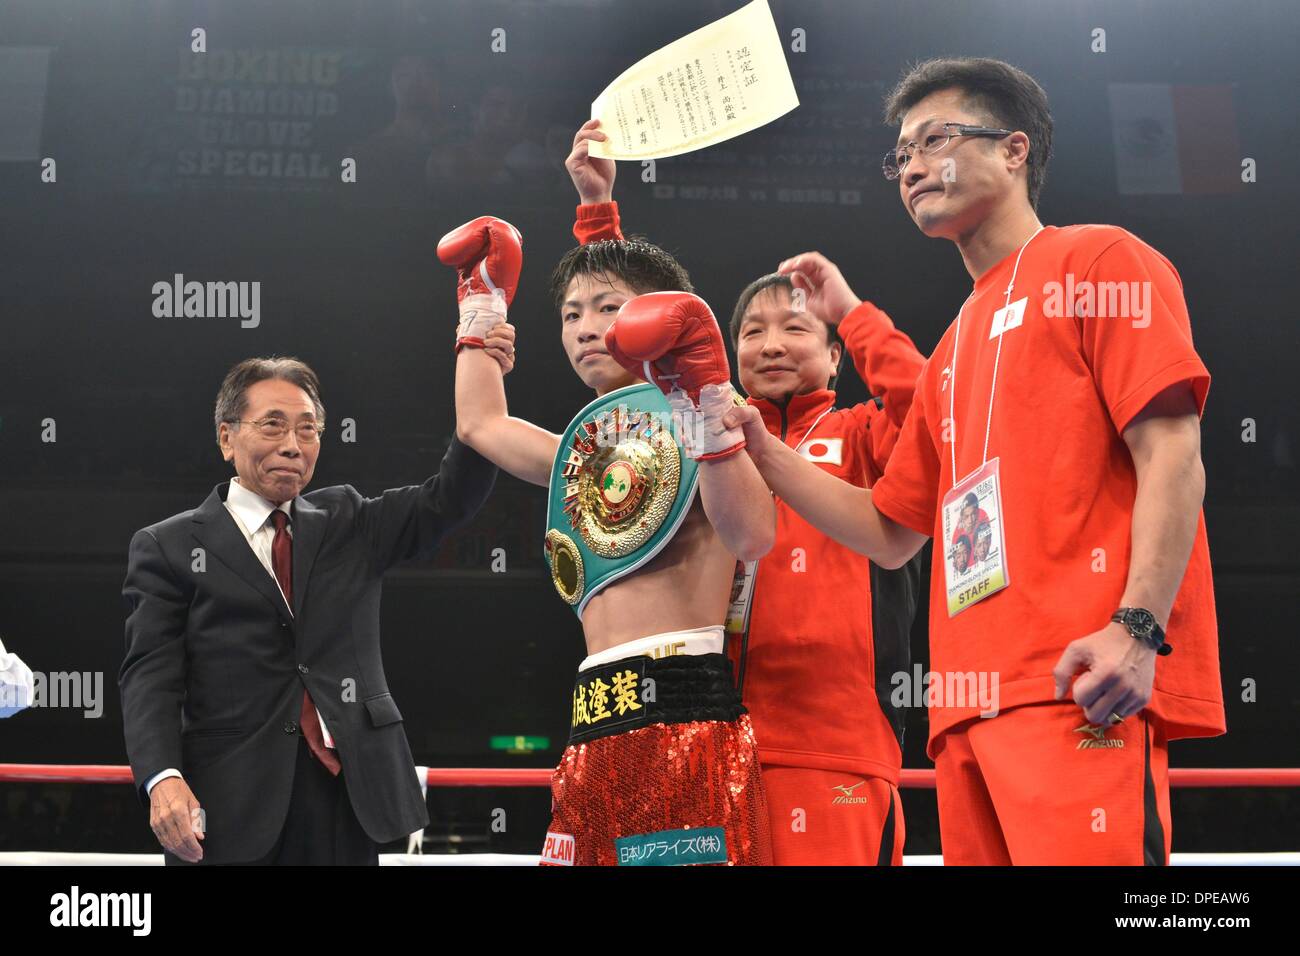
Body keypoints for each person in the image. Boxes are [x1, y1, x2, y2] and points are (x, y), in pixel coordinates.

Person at [724, 57, 1225, 864]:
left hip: (1078, 681)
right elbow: (889, 529)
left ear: (1015, 150)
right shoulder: (954, 345)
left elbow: (1174, 450)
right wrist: (757, 448)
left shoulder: (1098, 263)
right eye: (901, 155)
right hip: (964, 715)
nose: (912, 166)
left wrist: (1138, 627)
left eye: (937, 140)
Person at [565, 119, 928, 865]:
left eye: (794, 328)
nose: (768, 344)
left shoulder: (862, 433)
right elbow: (630, 341)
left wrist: (852, 310)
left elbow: (931, 412)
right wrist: (598, 211)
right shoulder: (698, 434)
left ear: (835, 353)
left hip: (831, 747)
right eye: (751, 331)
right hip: (702, 734)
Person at [440, 212, 777, 866]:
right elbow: (481, 424)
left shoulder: (709, 413)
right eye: (570, 314)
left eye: (607, 308)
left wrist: (707, 395)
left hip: (683, 715)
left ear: (657, 315)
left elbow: (753, 534)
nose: (585, 327)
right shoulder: (583, 449)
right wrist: (480, 305)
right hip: (591, 723)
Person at [119, 357, 500, 864]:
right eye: (273, 424)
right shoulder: (167, 545)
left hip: (348, 795)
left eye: (308, 429)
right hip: (228, 802)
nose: (293, 445)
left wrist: (482, 371)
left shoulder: (349, 521)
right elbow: (150, 676)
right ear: (227, 438)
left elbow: (450, 498)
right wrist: (161, 777)